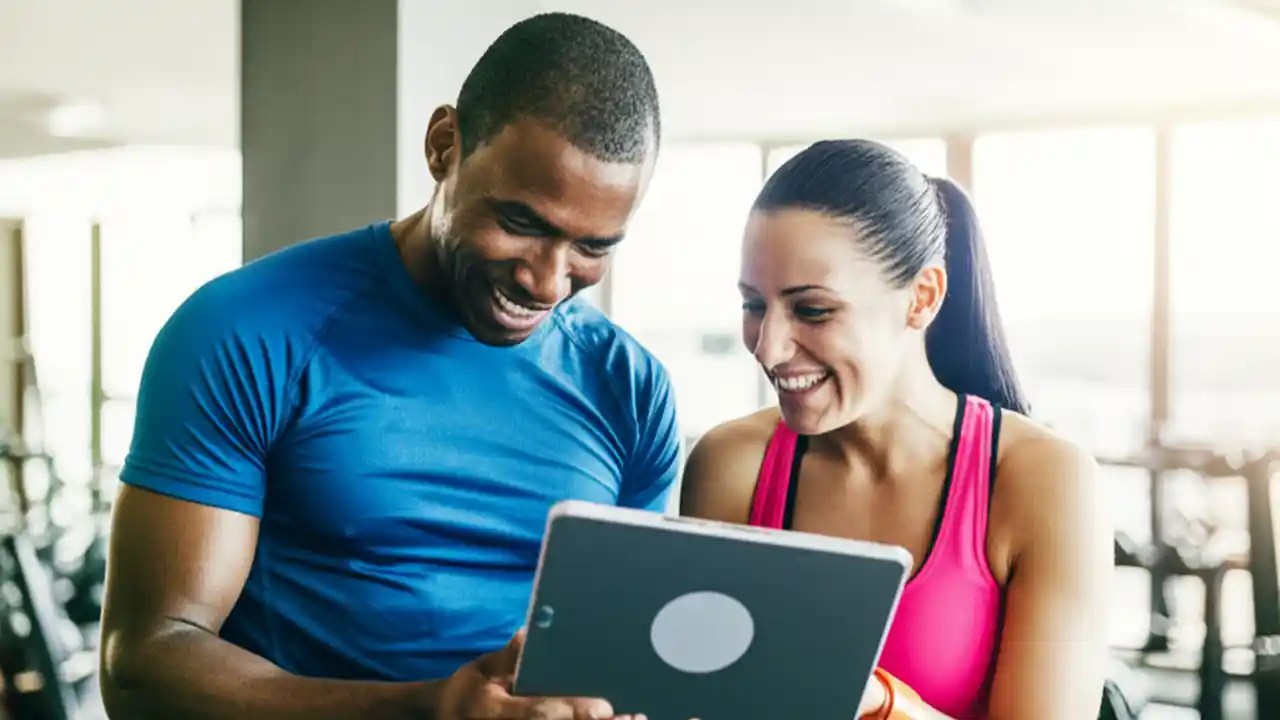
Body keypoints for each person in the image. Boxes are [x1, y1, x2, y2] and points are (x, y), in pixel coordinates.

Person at [99, 13, 674, 720]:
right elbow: (146, 663)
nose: (548, 282)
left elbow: (617, 658)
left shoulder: (631, 389)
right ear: (444, 146)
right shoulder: (244, 332)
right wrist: (425, 710)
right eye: (521, 223)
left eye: (593, 246)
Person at [681, 140, 1113, 719]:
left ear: (921, 298)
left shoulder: (1044, 480)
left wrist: (875, 702)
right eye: (754, 306)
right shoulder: (732, 464)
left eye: (812, 310)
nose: (769, 347)